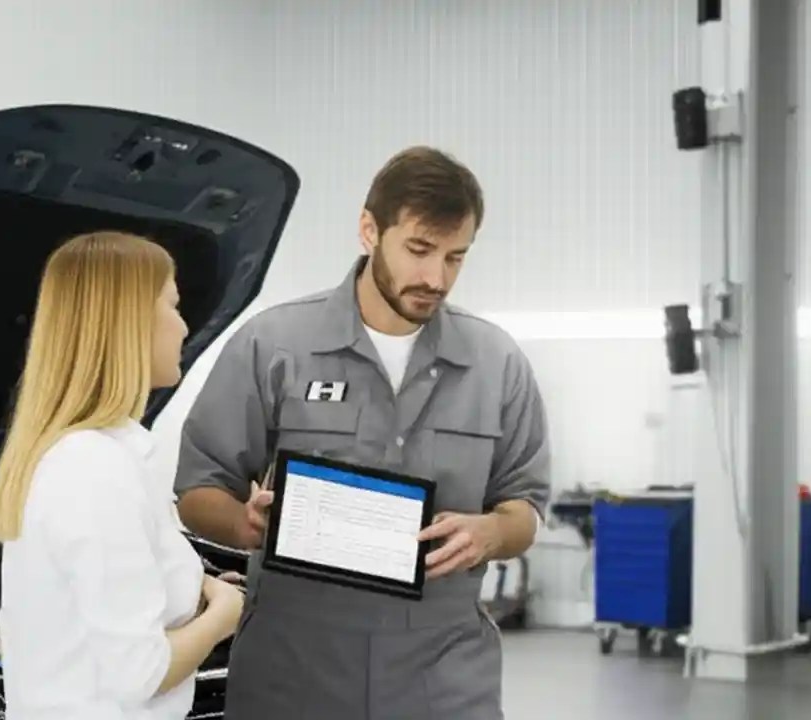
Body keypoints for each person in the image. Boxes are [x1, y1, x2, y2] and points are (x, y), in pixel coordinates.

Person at [173, 146, 550, 719]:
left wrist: (491, 533)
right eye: (419, 250)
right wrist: (242, 522)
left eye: (456, 257)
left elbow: (525, 508)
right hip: (294, 668)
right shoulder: (273, 346)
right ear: (369, 230)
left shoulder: (495, 362)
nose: (435, 278)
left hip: (443, 674)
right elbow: (199, 490)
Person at [0, 231, 244, 720]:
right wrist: (223, 617)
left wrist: (198, 592)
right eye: (173, 305)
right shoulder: (95, 468)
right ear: (129, 321)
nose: (185, 328)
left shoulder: (74, 457)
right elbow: (141, 675)